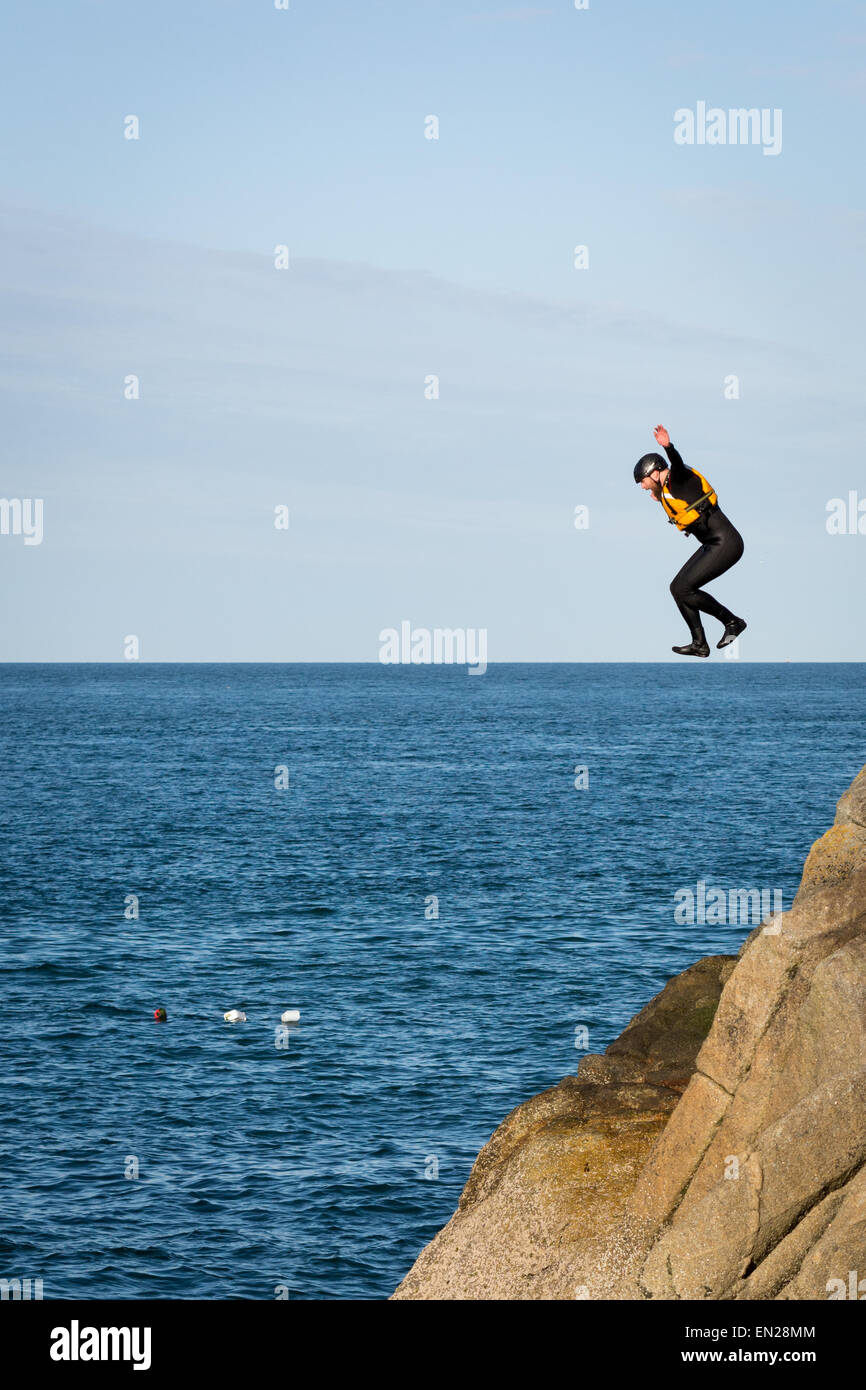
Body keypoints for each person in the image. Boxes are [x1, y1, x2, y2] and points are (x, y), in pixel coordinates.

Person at [634, 425, 746, 657]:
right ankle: (699, 643)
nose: (643, 487)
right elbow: (673, 500)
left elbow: (675, 463)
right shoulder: (669, 489)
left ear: (655, 473)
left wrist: (668, 447)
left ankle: (732, 621)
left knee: (685, 587)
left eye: (643, 481)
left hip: (727, 543)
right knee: (678, 588)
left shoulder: (678, 478)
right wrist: (659, 496)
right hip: (713, 544)